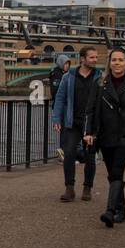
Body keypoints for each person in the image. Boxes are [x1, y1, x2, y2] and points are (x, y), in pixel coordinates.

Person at [83, 46, 125, 228]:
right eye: (114, 60)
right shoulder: (100, 83)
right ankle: (121, 209)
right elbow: (90, 109)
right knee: (113, 174)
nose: (117, 63)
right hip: (104, 135)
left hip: (124, 135)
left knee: (117, 172)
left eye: (120, 60)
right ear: (109, 63)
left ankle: (110, 211)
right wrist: (88, 133)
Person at [51, 47, 100, 202]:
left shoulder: (100, 77)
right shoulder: (69, 76)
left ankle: (87, 188)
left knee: (90, 157)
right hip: (72, 122)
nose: (95, 60)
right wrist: (57, 119)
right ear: (82, 59)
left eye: (96, 57)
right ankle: (69, 188)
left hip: (91, 125)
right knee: (69, 154)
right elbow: (60, 98)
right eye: (91, 57)